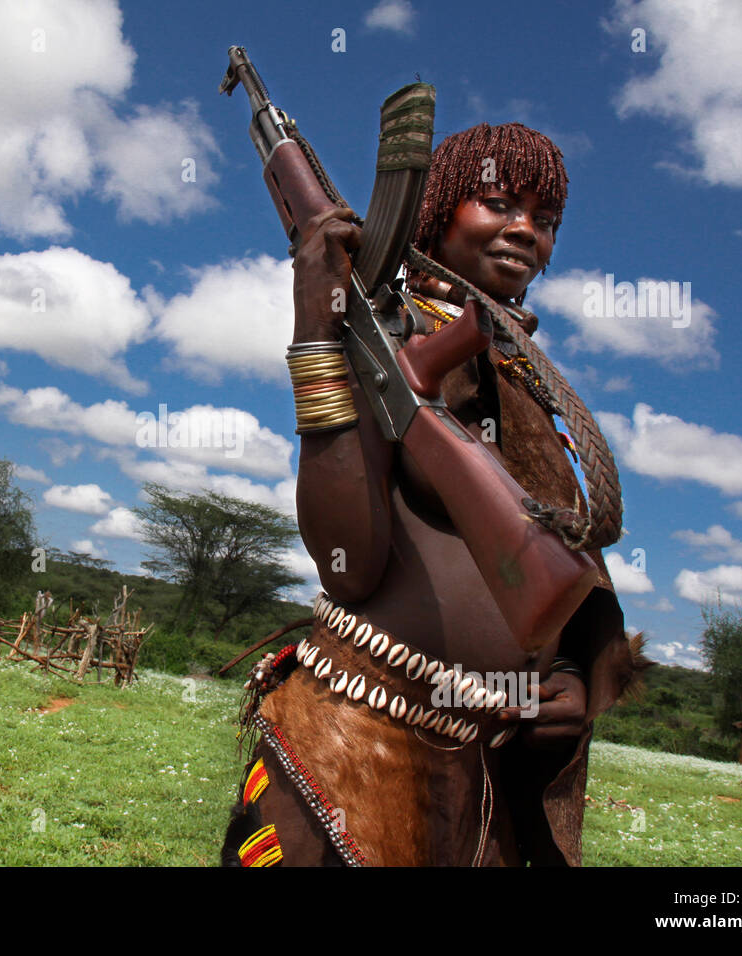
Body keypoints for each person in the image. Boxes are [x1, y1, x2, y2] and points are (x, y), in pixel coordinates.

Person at [222, 123, 646, 867]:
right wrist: (317, 330)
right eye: (497, 204)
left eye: (545, 220)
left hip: (489, 777)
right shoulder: (384, 328)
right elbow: (348, 564)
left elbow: (567, 569)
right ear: (438, 207)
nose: (527, 231)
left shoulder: (527, 377)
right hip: (358, 744)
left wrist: (569, 678)